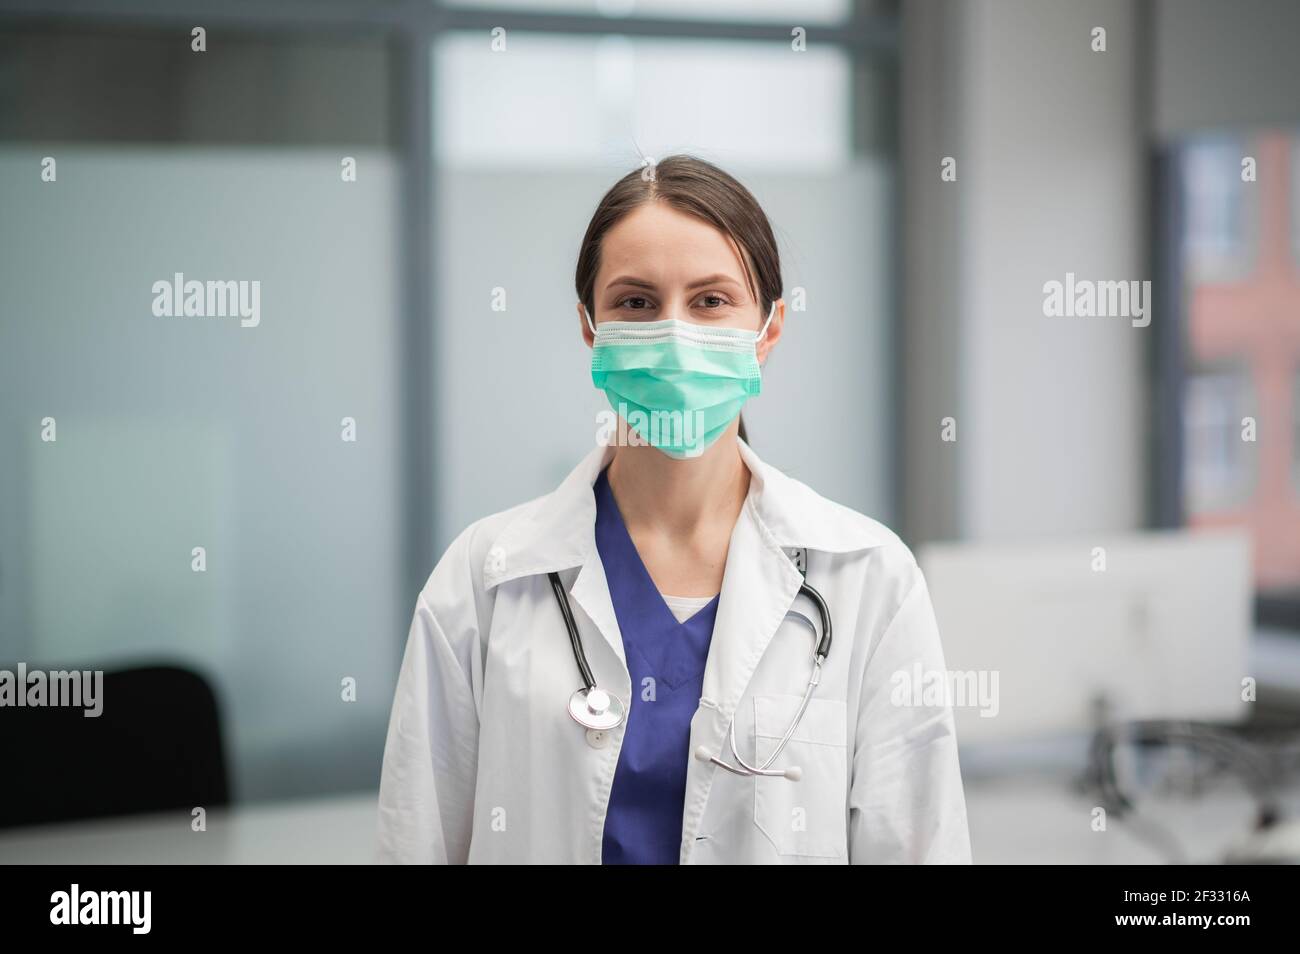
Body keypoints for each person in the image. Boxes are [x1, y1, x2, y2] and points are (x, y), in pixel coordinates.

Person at [377, 155, 971, 864]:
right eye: (636, 302)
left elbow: (917, 845)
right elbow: (417, 841)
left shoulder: (869, 577)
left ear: (769, 329)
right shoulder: (486, 578)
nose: (675, 334)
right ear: (590, 328)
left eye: (711, 300)